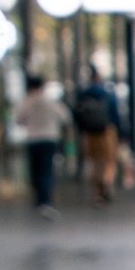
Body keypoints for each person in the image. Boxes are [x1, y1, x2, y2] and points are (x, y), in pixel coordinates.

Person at [15, 77, 69, 219]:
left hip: (33, 139)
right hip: (49, 138)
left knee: (35, 170)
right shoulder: (50, 102)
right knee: (46, 170)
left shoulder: (26, 102)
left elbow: (18, 119)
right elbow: (65, 117)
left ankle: (39, 199)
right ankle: (45, 200)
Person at [73, 72, 121, 204]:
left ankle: (98, 192)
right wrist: (122, 133)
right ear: (100, 80)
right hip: (107, 131)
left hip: (90, 132)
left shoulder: (83, 94)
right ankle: (107, 181)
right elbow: (115, 115)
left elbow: (77, 114)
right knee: (110, 160)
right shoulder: (108, 94)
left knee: (95, 161)